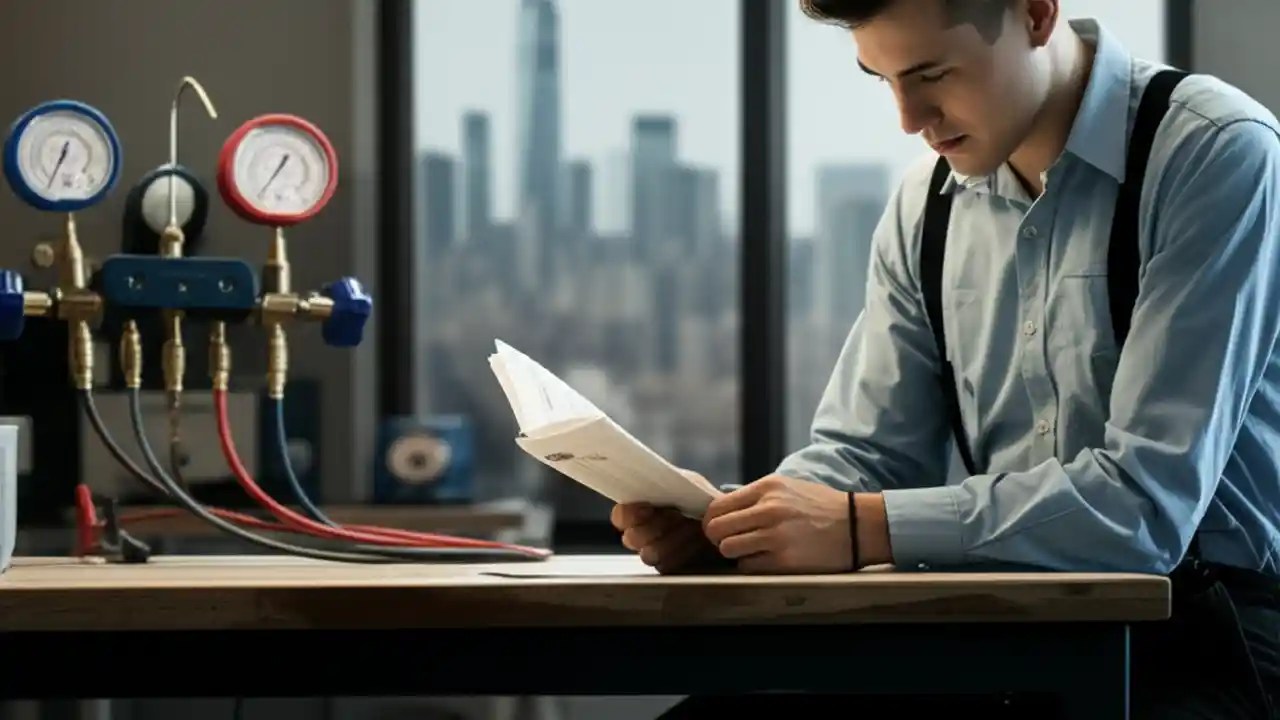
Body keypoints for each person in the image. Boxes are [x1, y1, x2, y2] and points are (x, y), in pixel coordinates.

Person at [611, 0, 1280, 717]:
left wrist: (858, 526)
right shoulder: (922, 206)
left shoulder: (1213, 153)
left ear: (1035, 12)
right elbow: (864, 457)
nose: (908, 118)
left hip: (1210, 639)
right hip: (1011, 631)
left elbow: (1145, 507)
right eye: (883, 78)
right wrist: (734, 526)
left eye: (932, 73)